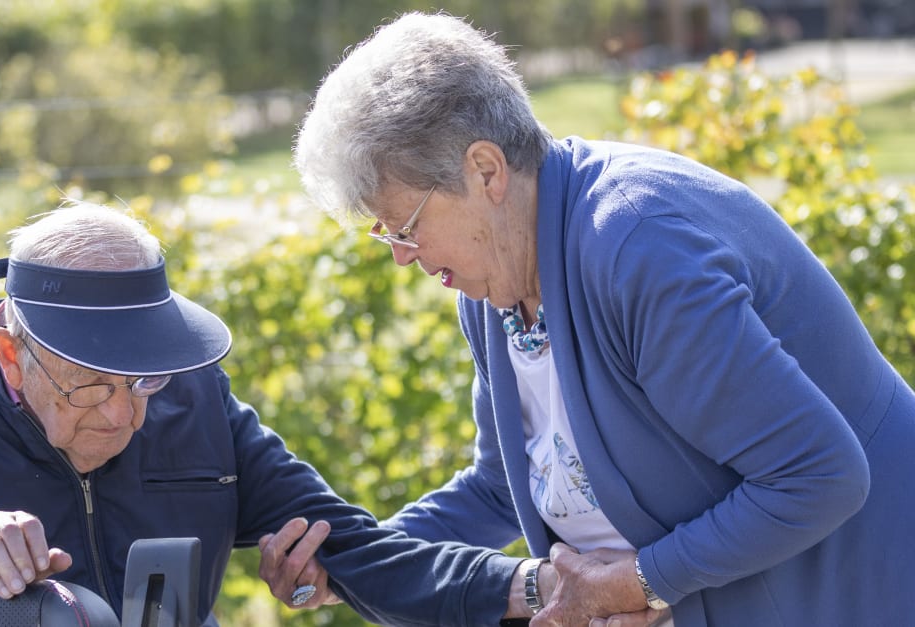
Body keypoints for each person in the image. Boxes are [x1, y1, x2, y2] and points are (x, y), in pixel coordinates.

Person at [265, 11, 915, 627]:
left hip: (858, 589)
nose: (403, 257)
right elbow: (503, 485)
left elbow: (819, 475)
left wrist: (638, 579)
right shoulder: (492, 285)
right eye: (384, 235)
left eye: (405, 226)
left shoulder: (636, 248)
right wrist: (354, 561)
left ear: (486, 170)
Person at [0, 199, 542, 626]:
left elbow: (352, 546)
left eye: (143, 379)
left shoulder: (190, 396)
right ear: (8, 350)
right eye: (92, 385)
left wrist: (532, 589)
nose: (128, 414)